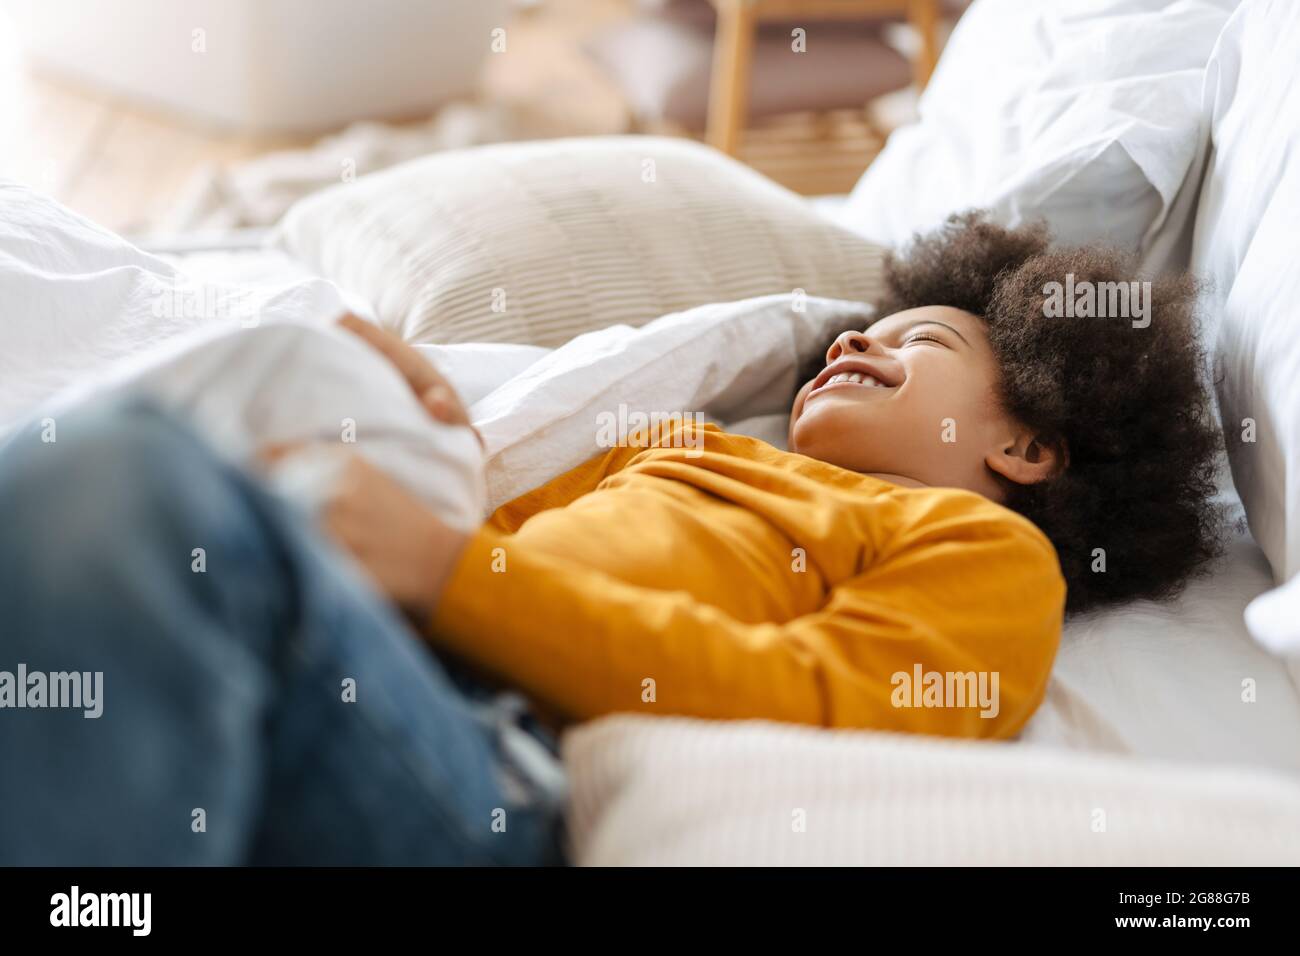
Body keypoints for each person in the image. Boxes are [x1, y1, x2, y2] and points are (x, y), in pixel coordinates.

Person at [0, 212, 1223, 864]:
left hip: (491, 769)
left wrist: (441, 565)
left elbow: (807, 705)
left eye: (925, 344)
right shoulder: (681, 446)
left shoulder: (982, 552)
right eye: (863, 330)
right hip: (350, 671)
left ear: (1030, 446)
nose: (859, 341)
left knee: (111, 479)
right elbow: (474, 535)